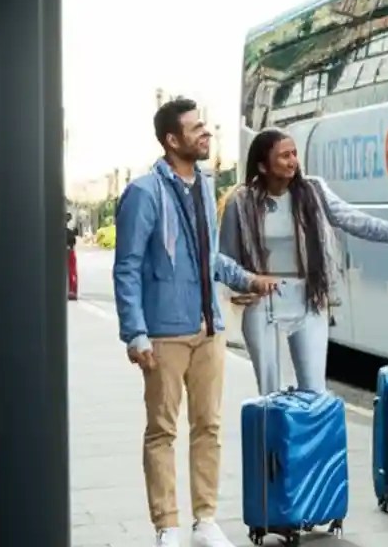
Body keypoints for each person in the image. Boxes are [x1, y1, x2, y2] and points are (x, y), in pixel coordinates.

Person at [113, 97, 278, 547]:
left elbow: (209, 256)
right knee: (162, 431)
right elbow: (126, 266)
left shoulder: (204, 186)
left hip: (209, 330)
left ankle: (205, 522)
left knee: (208, 427)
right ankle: (166, 526)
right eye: (196, 128)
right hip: (164, 334)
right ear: (172, 140)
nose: (206, 133)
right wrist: (135, 332)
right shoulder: (144, 193)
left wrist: (248, 277)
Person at [219, 127, 388, 395]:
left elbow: (354, 220)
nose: (293, 161)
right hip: (264, 301)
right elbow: (224, 260)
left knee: (315, 392)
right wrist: (247, 284)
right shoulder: (240, 202)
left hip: (309, 297)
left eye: (294, 154)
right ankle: (270, 438)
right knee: (270, 396)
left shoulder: (313, 191)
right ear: (263, 166)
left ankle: (309, 438)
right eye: (284, 156)